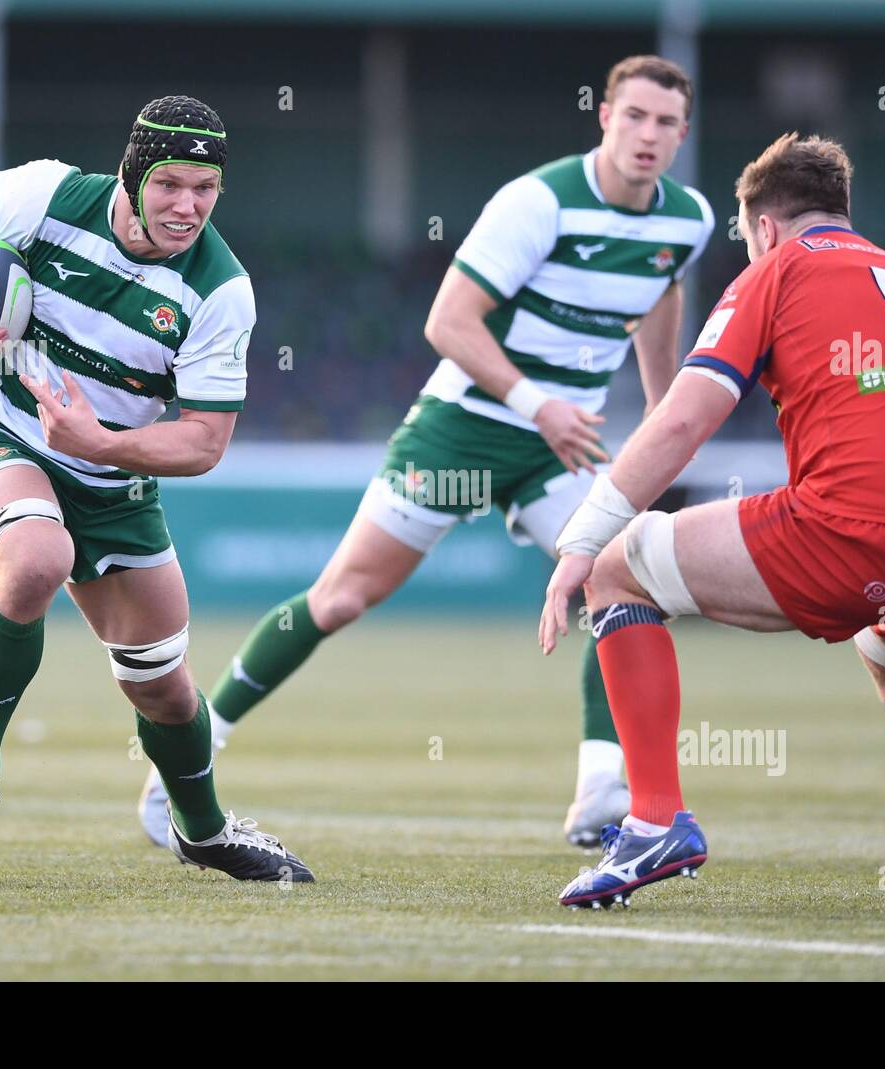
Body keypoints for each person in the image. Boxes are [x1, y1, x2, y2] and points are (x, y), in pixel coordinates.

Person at [135, 56, 715, 850]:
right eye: (634, 116)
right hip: (466, 426)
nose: (647, 134)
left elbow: (663, 291)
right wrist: (536, 403)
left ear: (683, 134)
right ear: (604, 116)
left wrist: (658, 409)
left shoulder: (688, 220)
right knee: (339, 599)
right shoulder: (539, 201)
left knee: (625, 578)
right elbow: (447, 323)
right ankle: (190, 750)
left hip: (562, 443)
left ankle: (601, 794)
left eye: (665, 122)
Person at [539, 132, 885, 910]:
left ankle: (654, 817)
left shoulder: (781, 268)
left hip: (858, 534)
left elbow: (681, 425)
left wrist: (581, 539)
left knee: (620, 565)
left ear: (763, 228)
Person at [0, 94, 312, 882]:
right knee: (35, 558)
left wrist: (102, 443)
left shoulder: (221, 292)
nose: (188, 206)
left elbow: (204, 438)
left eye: (205, 188)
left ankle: (203, 830)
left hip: (114, 480)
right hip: (1, 436)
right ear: (133, 174)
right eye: (170, 184)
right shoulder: (51, 197)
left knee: (165, 690)